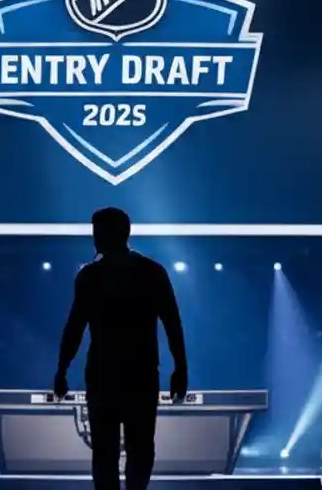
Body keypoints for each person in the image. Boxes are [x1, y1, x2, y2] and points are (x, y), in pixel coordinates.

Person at [55, 207, 188, 490]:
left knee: (109, 450)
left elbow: (75, 327)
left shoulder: (91, 276)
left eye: (99, 232)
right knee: (135, 448)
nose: (95, 238)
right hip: (138, 373)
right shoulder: (151, 272)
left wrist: (62, 369)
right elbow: (172, 323)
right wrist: (181, 368)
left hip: (107, 374)